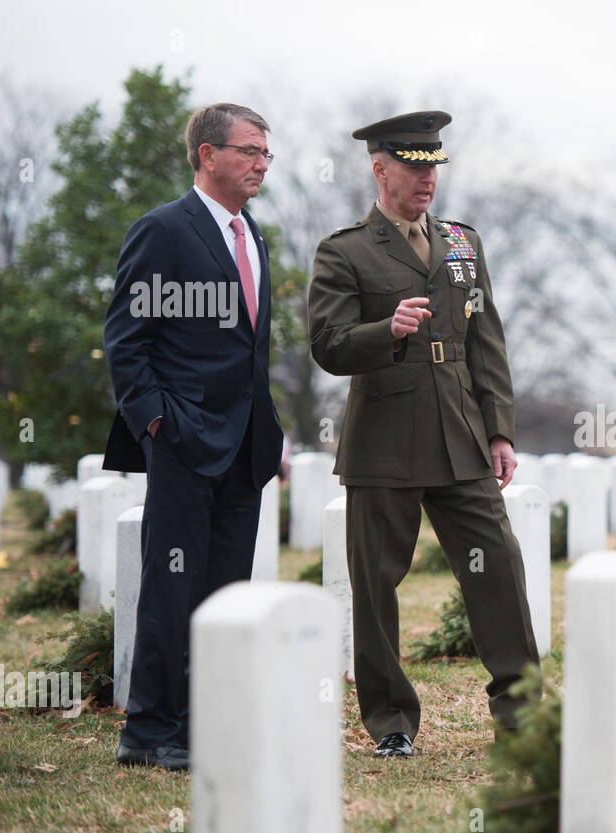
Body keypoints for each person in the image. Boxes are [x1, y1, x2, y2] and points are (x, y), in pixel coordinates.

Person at [308, 110, 540, 757]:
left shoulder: (463, 243)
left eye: (434, 166)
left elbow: (486, 342)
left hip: (461, 433)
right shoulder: (344, 250)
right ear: (379, 169)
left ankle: (522, 715)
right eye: (413, 167)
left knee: (498, 565)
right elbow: (327, 344)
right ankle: (391, 723)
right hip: (384, 439)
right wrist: (388, 330)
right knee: (376, 584)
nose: (426, 179)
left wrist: (500, 431)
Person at [102, 103, 285, 771]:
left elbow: (251, 347)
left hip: (245, 445)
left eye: (268, 153)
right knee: (172, 588)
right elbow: (127, 341)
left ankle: (204, 724)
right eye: (250, 151)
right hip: (182, 441)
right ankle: (148, 732)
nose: (262, 163)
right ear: (208, 155)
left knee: (224, 592)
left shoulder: (253, 233)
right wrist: (155, 423)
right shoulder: (164, 230)